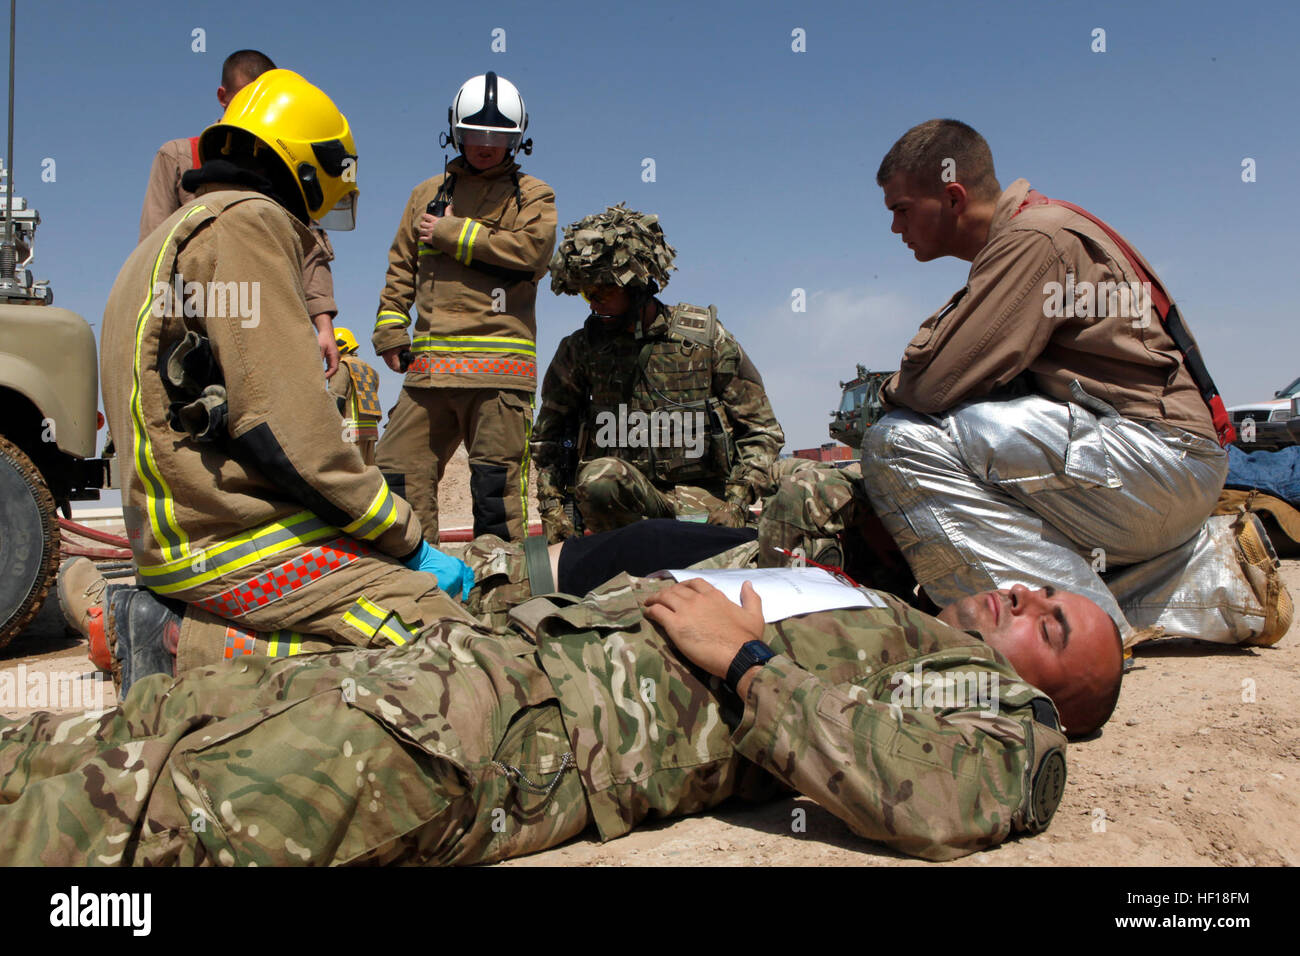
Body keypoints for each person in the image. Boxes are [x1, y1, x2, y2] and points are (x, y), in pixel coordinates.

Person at [0, 545, 1128, 865]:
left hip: (506, 743)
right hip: (484, 659)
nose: (1023, 596)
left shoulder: (996, 716)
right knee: (124, 733)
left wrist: (747, 663)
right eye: (1039, 589)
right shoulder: (882, 607)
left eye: (1052, 624)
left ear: (1062, 703)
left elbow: (923, 799)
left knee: (157, 825)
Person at [100, 69, 474, 698]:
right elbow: (286, 432)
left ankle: (173, 623)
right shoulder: (246, 223)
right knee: (451, 647)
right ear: (307, 167)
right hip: (226, 541)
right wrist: (407, 541)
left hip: (180, 534)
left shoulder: (175, 231)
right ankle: (175, 642)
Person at [861, 119, 1290, 647]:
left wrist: (887, 391)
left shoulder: (1034, 240)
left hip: (1158, 462)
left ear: (952, 197)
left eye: (901, 209)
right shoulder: (1034, 234)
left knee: (900, 442)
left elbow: (930, 385)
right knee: (989, 487)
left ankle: (1072, 644)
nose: (895, 228)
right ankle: (1211, 578)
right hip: (1166, 469)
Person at [372, 72, 556, 543]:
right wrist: (391, 331)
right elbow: (401, 267)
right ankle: (419, 594)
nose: (486, 144)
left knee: (495, 496)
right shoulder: (426, 194)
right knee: (396, 476)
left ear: (518, 139)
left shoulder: (532, 194)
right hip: (429, 371)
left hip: (497, 373)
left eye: (499, 136)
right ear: (455, 131)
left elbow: (534, 252)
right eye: (476, 133)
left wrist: (453, 233)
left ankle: (506, 604)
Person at [533, 204, 785, 541]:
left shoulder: (704, 340)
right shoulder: (580, 350)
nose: (593, 303)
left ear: (636, 285)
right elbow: (550, 437)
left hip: (705, 502)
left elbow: (761, 431)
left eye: (603, 291)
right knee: (599, 479)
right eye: (585, 294)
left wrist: (737, 504)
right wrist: (554, 510)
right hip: (623, 504)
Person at [138, 49, 341, 379]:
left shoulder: (285, 164)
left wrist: (324, 325)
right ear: (223, 97)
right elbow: (154, 250)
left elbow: (310, 249)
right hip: (198, 330)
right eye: (247, 98)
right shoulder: (178, 156)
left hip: (269, 327)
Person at [327, 327, 383, 465]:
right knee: (368, 475)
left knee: (348, 478)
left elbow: (336, 398)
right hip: (370, 433)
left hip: (349, 434)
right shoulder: (370, 370)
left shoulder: (342, 366)